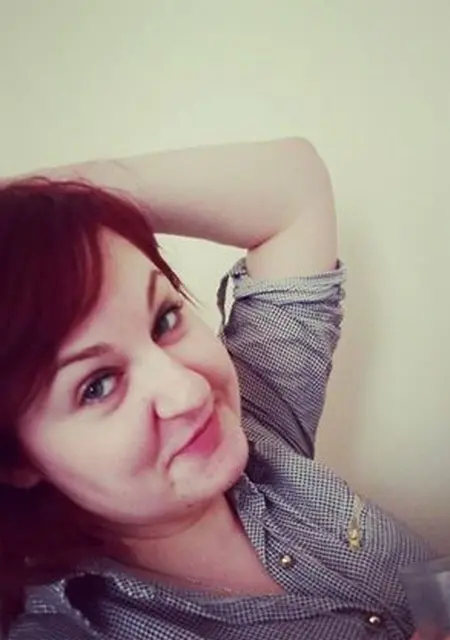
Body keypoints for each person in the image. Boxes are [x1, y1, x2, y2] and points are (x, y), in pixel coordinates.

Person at [0, 138, 438, 640]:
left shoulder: (256, 420)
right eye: (97, 386)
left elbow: (293, 187)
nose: (189, 391)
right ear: (15, 459)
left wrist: (39, 210)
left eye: (165, 320)